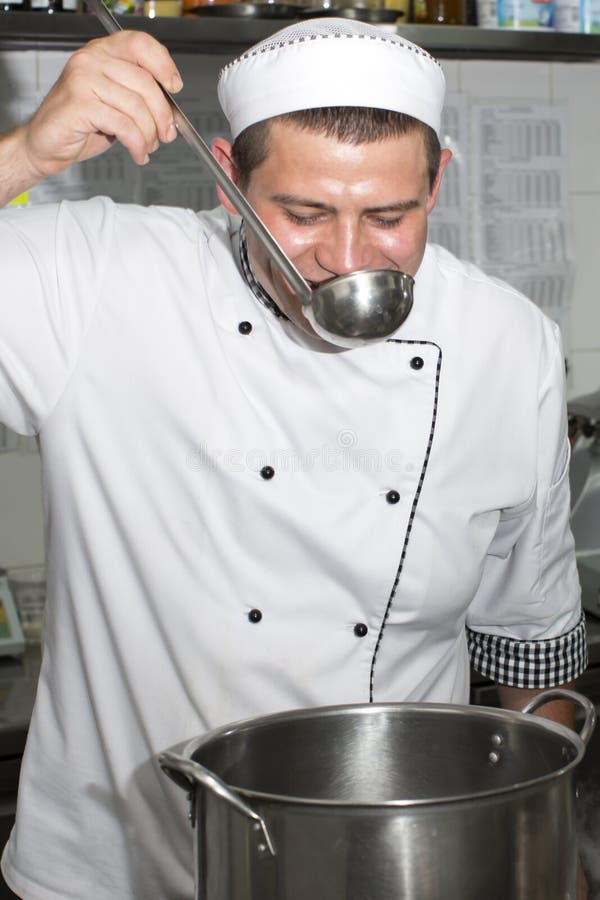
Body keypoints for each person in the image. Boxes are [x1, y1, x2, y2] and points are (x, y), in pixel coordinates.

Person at [0, 17, 588, 900]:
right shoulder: (94, 278)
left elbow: (529, 649)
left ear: (439, 181)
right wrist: (23, 155)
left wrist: (551, 852)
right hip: (110, 872)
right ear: (232, 176)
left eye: (389, 217)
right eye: (303, 214)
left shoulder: (510, 345)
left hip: (391, 871)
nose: (342, 261)